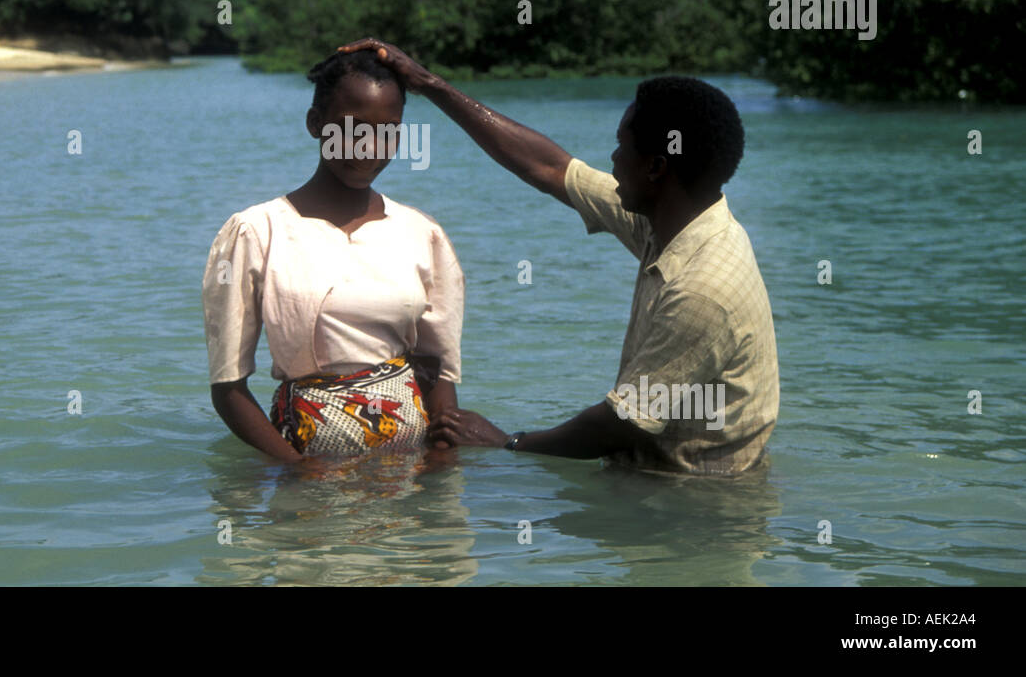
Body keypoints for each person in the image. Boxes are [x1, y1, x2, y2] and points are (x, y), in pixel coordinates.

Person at [338, 38, 779, 476]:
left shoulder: (703, 288)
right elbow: (548, 168)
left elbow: (622, 422)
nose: (611, 158)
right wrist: (431, 85)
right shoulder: (668, 217)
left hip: (693, 503)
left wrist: (509, 443)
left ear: (656, 168)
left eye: (621, 146)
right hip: (656, 482)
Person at [202, 49, 463, 461]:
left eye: (388, 130)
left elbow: (438, 372)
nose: (369, 147)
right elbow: (227, 388)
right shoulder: (257, 231)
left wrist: (440, 464)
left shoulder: (421, 233)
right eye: (352, 128)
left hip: (407, 470)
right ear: (314, 124)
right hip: (306, 466)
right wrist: (298, 471)